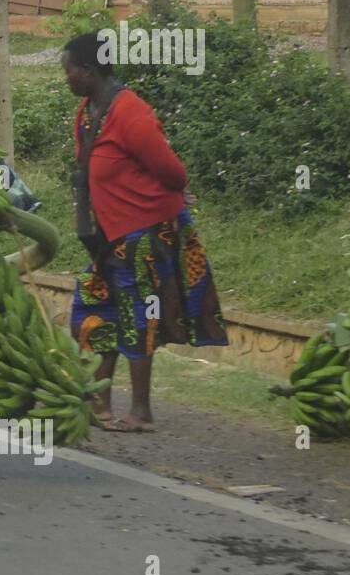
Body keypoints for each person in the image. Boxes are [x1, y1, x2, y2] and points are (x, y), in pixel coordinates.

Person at [62, 30, 227, 433]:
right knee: (97, 308)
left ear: (88, 70)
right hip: (109, 238)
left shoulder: (130, 113)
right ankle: (100, 400)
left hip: (145, 234)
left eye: (68, 70)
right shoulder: (88, 114)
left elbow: (173, 172)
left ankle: (141, 412)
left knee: (137, 316)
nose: (65, 77)